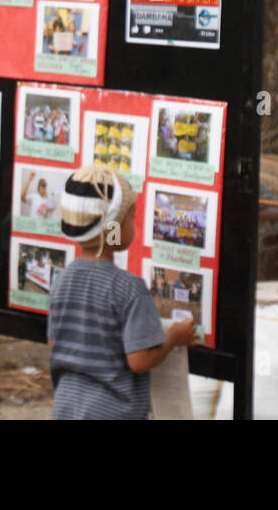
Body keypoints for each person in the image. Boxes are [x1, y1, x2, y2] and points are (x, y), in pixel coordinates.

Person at [47, 166, 196, 419]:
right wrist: (172, 338)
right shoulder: (129, 289)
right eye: (132, 216)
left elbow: (55, 345)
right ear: (113, 229)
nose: (134, 223)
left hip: (65, 408)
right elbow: (139, 361)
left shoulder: (61, 280)